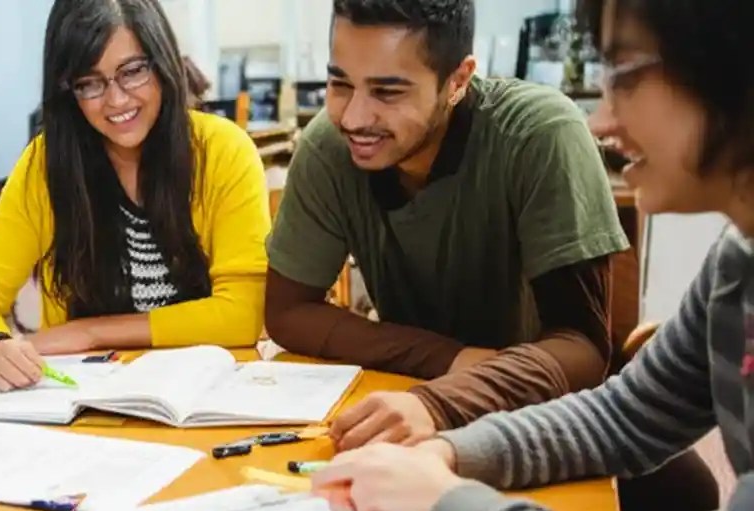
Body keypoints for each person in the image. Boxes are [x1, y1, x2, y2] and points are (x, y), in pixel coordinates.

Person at [312, 0, 754, 511]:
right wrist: (451, 455)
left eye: (628, 73)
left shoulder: (533, 135)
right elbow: (631, 411)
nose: (602, 118)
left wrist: (448, 505)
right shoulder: (740, 259)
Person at [266, 0, 628, 451]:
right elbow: (287, 312)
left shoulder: (540, 135)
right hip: (411, 405)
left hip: (544, 421)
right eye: (340, 83)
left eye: (388, 92)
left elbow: (583, 350)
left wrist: (440, 402)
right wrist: (450, 359)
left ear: (457, 80)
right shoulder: (329, 148)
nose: (353, 118)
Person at [0, 0, 270, 392]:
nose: (116, 101)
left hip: (207, 393)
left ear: (163, 62)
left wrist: (91, 333)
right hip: (85, 400)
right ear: (68, 90)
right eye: (90, 83)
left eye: (132, 72)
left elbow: (243, 314)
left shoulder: (223, 150)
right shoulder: (45, 166)